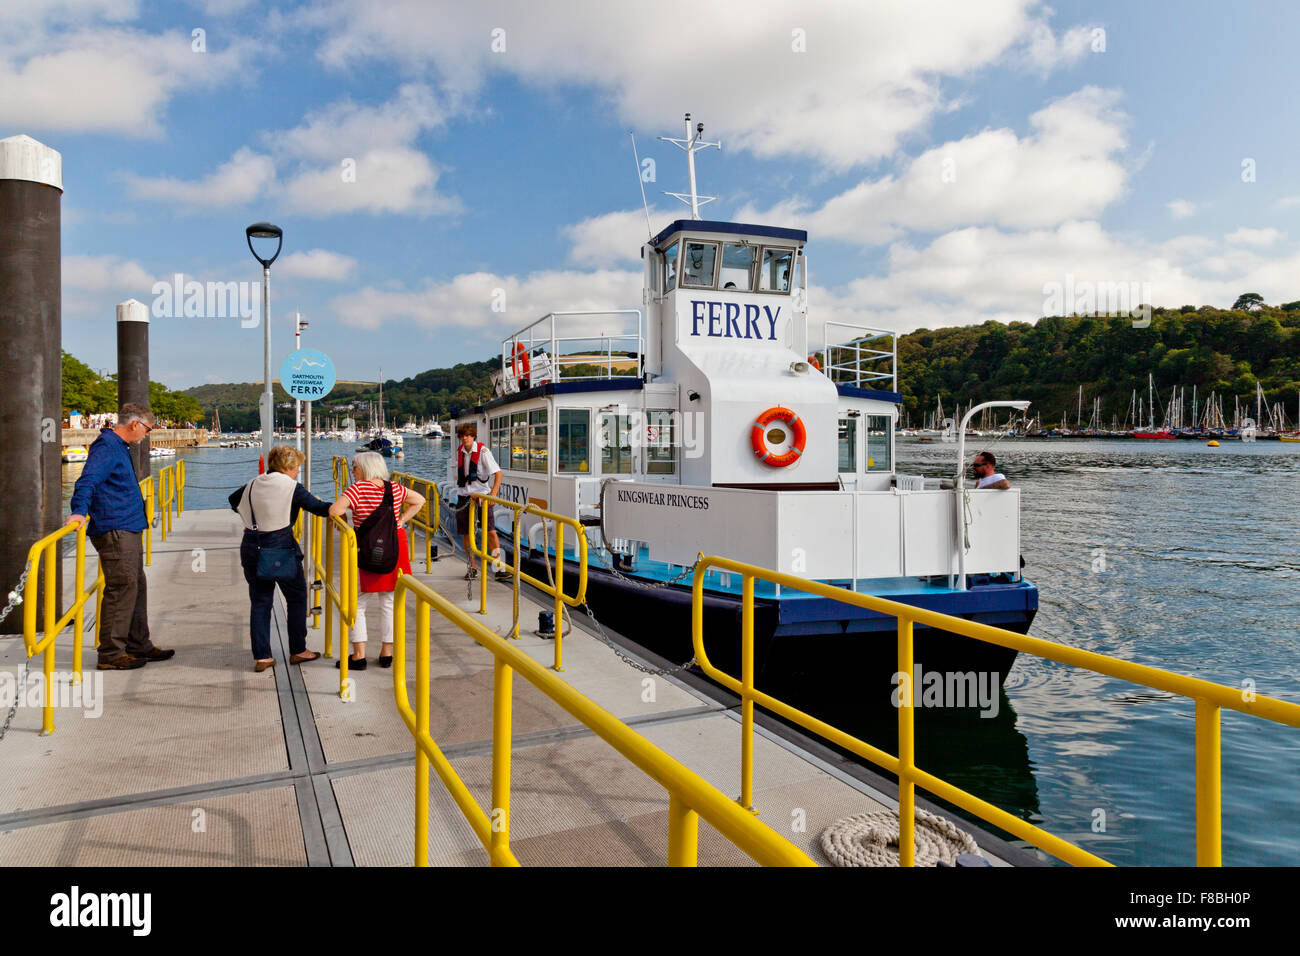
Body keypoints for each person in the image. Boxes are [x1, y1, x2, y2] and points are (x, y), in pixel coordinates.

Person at [65, 404, 175, 670]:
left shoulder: (117, 447)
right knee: (122, 587)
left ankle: (139, 644)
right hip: (115, 528)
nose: (147, 435)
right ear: (135, 424)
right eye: (147, 429)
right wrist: (79, 511)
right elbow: (87, 481)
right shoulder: (107, 447)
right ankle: (112, 654)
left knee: (135, 584)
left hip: (127, 526)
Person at [230, 445, 334, 672]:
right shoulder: (292, 487)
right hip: (280, 548)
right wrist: (342, 507)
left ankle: (263, 657)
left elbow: (233, 500)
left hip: (251, 546)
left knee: (260, 601)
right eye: (297, 467)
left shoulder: (254, 482)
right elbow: (318, 508)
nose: (298, 471)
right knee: (296, 598)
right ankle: (298, 650)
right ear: (288, 467)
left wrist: (251, 520)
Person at [328, 452, 425, 670]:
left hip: (369, 546)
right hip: (394, 544)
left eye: (354, 467)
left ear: (365, 468)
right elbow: (420, 500)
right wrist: (400, 521)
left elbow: (334, 510)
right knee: (389, 601)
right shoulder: (394, 488)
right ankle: (386, 653)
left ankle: (359, 655)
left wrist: (344, 521)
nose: (352, 471)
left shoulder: (357, 489)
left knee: (358, 601)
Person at [454, 422, 509, 581]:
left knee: (490, 531)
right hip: (464, 497)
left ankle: (499, 568)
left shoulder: (483, 452)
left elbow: (498, 473)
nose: (465, 438)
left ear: (473, 436)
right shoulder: (461, 452)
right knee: (466, 533)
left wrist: (493, 494)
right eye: (462, 436)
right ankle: (472, 567)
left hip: (482, 497)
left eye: (468, 435)